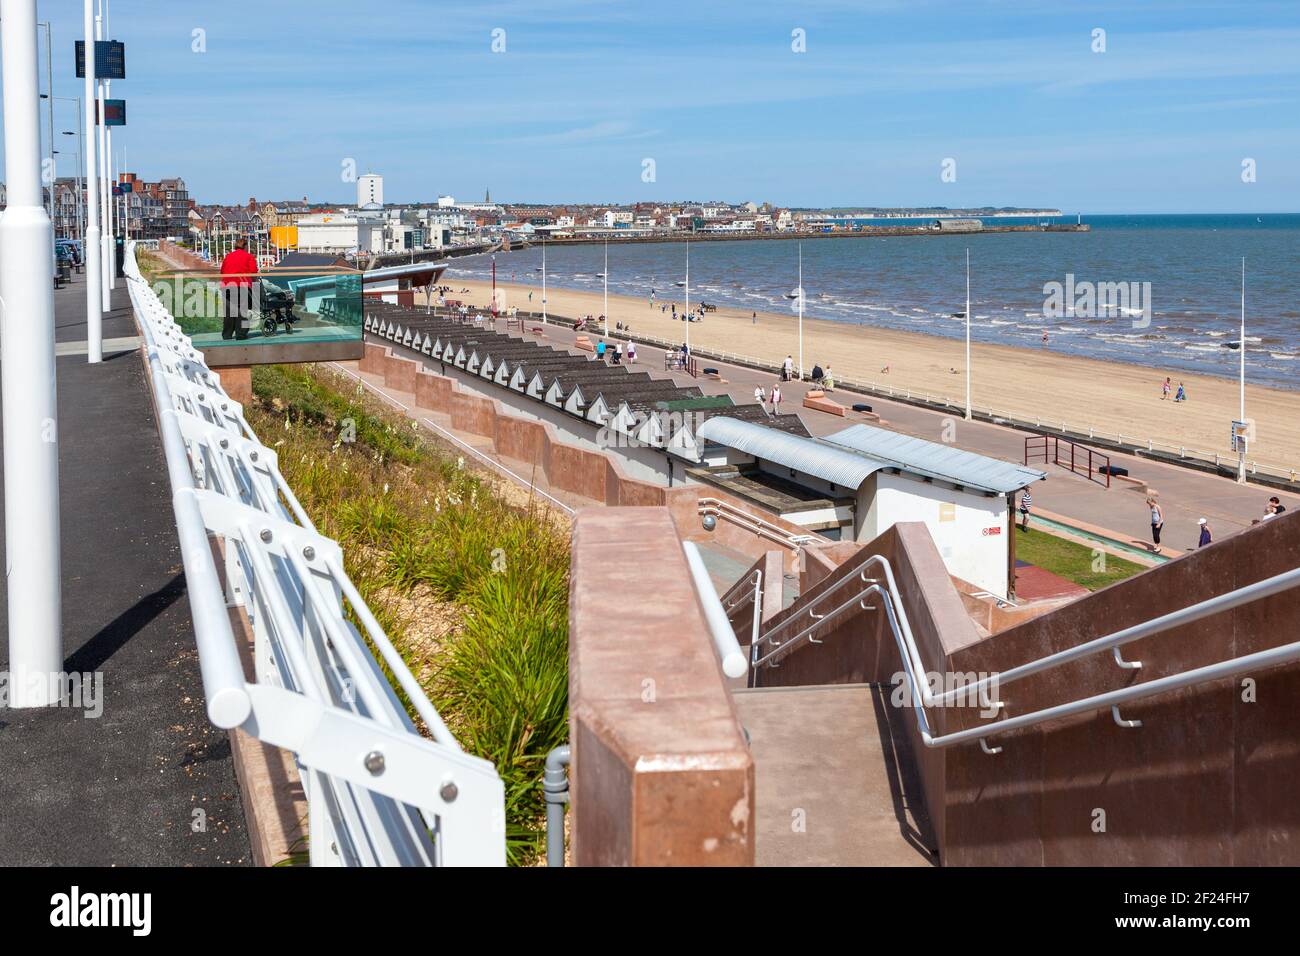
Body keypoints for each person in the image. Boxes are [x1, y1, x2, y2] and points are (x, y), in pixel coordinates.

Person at [219, 237, 258, 340]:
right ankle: (241, 334)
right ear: (245, 246)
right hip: (242, 286)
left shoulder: (228, 257)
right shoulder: (248, 256)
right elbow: (253, 271)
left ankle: (227, 334)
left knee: (229, 312)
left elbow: (222, 271)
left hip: (227, 286)